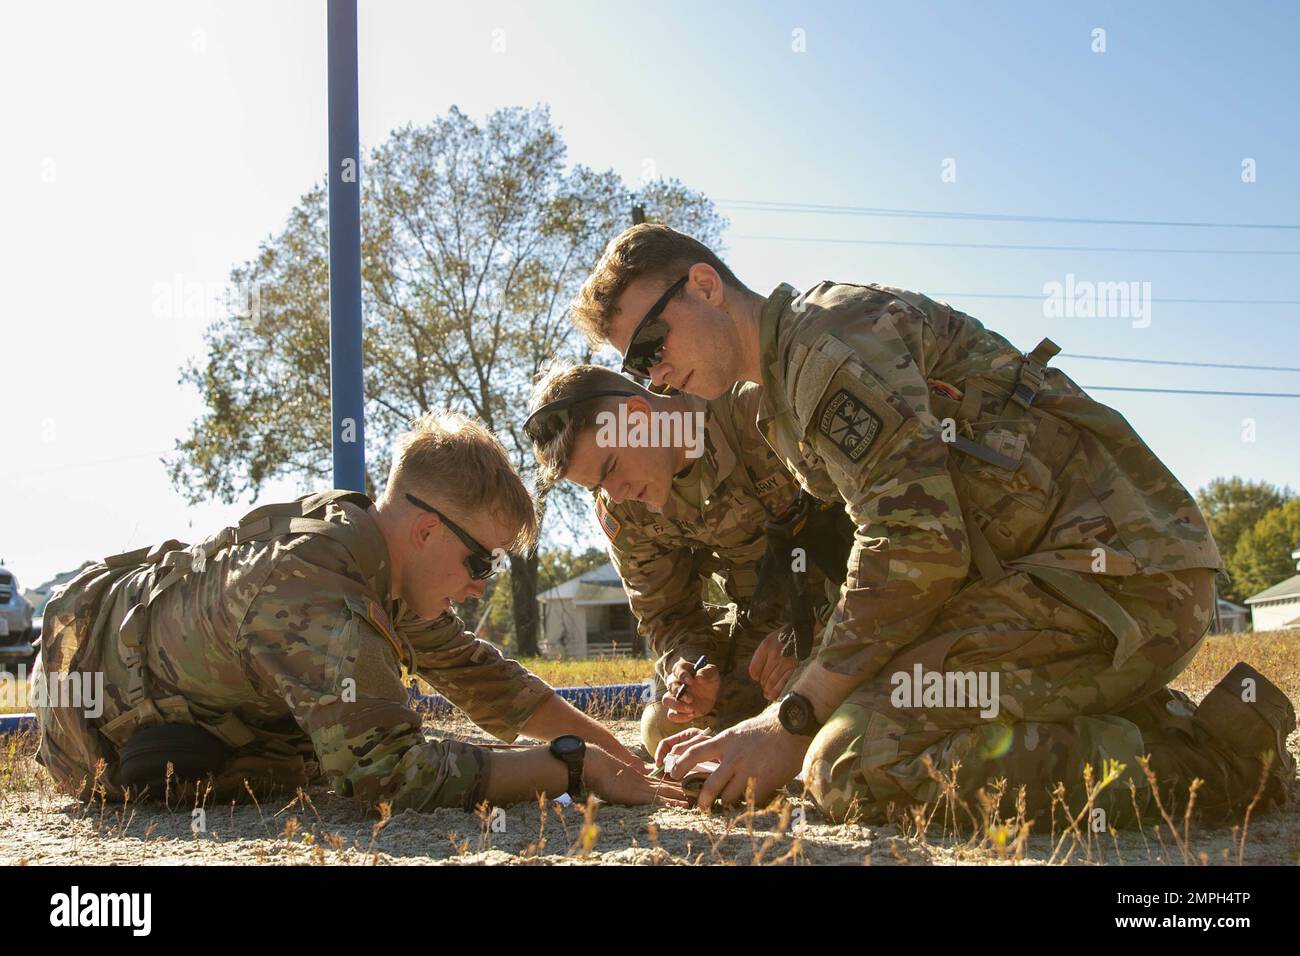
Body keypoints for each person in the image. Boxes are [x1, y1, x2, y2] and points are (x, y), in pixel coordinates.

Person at [565, 223, 1295, 825]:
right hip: (1044, 586)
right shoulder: (780, 393)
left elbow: (916, 546)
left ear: (703, 285)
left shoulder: (827, 345)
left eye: (651, 346)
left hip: (1117, 580)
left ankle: (1224, 766)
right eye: (637, 367)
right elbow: (879, 559)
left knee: (851, 761)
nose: (653, 376)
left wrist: (787, 720)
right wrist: (806, 674)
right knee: (848, 718)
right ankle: (1154, 722)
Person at [35, 409, 683, 811]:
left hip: (135, 643)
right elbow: (391, 777)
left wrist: (619, 757)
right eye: (479, 563)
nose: (477, 589)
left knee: (302, 753)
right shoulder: (318, 596)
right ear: (427, 531)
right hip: (80, 702)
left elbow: (481, 676)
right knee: (309, 765)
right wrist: (570, 769)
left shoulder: (376, 551)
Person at [526, 362, 850, 753]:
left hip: (857, 606)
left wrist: (813, 628)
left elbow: (885, 535)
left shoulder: (754, 413)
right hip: (764, 626)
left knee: (829, 734)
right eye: (598, 484)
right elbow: (665, 613)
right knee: (664, 728)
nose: (618, 491)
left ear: (638, 418)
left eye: (611, 468)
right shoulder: (623, 509)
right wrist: (690, 669)